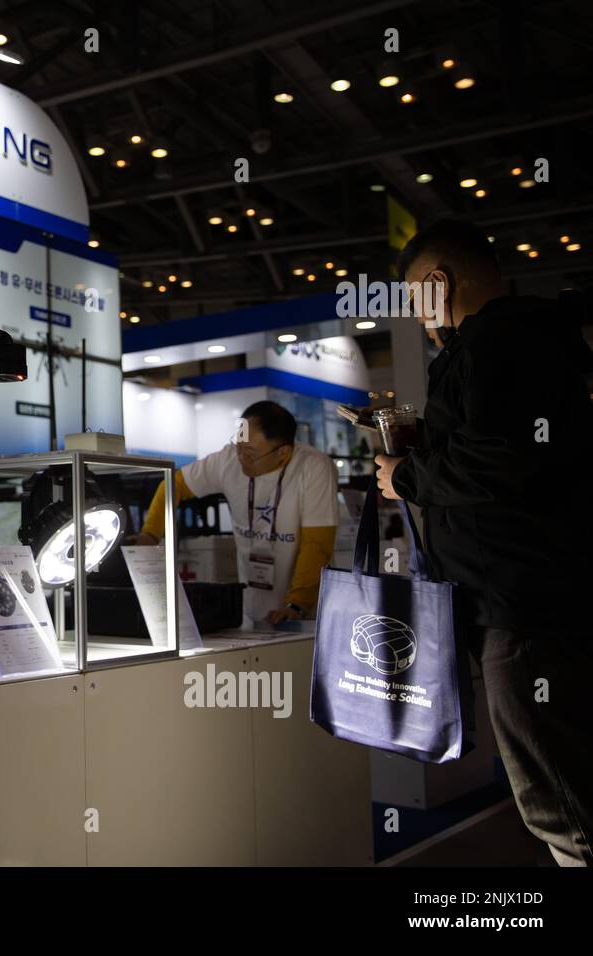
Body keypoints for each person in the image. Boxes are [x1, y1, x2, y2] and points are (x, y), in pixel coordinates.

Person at [374, 218, 593, 866]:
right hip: (527, 599)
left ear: (438, 282)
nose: (418, 316)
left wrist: (405, 474)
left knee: (556, 794)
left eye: (416, 298)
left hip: (522, 607)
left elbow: (500, 457)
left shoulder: (499, 341)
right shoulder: (523, 341)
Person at [135, 401, 338, 627]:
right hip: (251, 609)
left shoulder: (314, 468)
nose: (240, 458)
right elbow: (173, 485)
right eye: (238, 446)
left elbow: (316, 544)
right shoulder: (229, 459)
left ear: (283, 452)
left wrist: (297, 604)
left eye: (250, 454)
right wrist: (150, 534)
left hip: (303, 615)